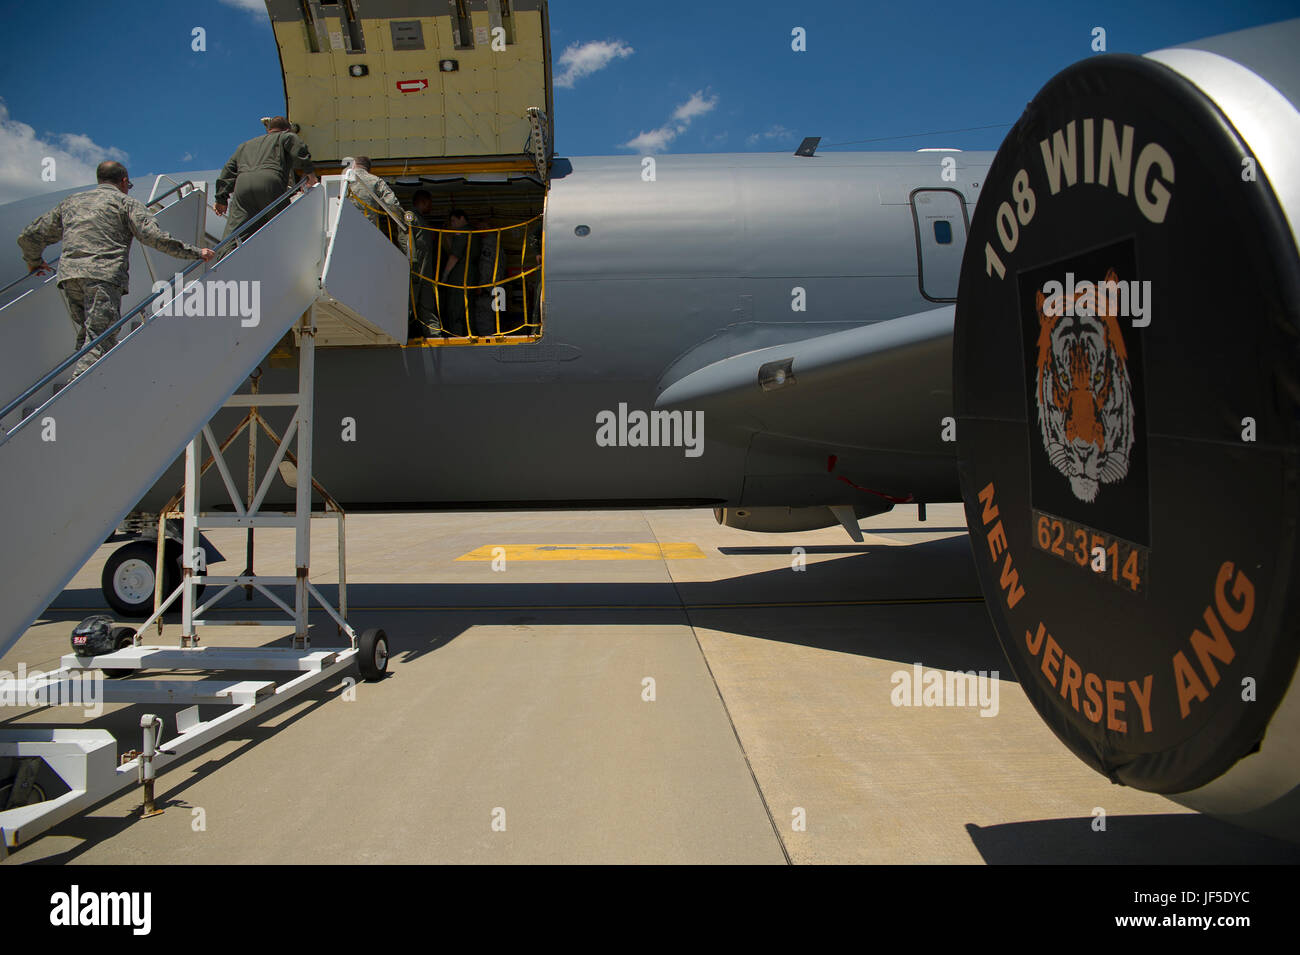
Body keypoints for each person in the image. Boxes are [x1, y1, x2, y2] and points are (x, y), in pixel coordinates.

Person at [17, 161, 214, 376]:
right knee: (101, 337)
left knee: (87, 335)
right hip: (103, 276)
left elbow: (29, 236)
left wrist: (34, 261)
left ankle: (92, 380)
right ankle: (81, 388)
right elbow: (154, 237)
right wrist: (195, 252)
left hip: (70, 276)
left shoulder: (71, 203)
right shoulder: (125, 203)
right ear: (123, 182)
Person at [214, 116, 317, 240]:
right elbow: (297, 147)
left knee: (236, 234)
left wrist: (221, 198)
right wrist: (309, 171)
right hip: (270, 182)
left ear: (269, 130)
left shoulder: (244, 145)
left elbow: (228, 170)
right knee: (281, 225)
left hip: (242, 186)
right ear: (287, 129)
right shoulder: (285, 136)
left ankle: (225, 256)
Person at [347, 156, 406, 253]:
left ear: (353, 165)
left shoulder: (343, 181)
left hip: (346, 231)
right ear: (368, 168)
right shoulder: (375, 180)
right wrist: (403, 220)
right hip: (369, 231)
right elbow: (391, 203)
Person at [438, 209, 476, 337]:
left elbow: (454, 256)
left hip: (459, 278)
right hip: (470, 278)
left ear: (462, 219)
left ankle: (457, 338)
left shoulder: (463, 232)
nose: (452, 225)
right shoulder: (474, 232)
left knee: (456, 311)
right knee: (468, 311)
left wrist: (444, 275)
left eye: (454, 221)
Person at [408, 190, 441, 337]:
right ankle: (402, 334)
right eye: (430, 203)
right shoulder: (410, 217)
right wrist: (413, 264)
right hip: (416, 269)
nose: (431, 207)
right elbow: (407, 241)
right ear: (423, 202)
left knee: (427, 303)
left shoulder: (422, 220)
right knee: (410, 304)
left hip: (425, 270)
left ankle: (434, 334)